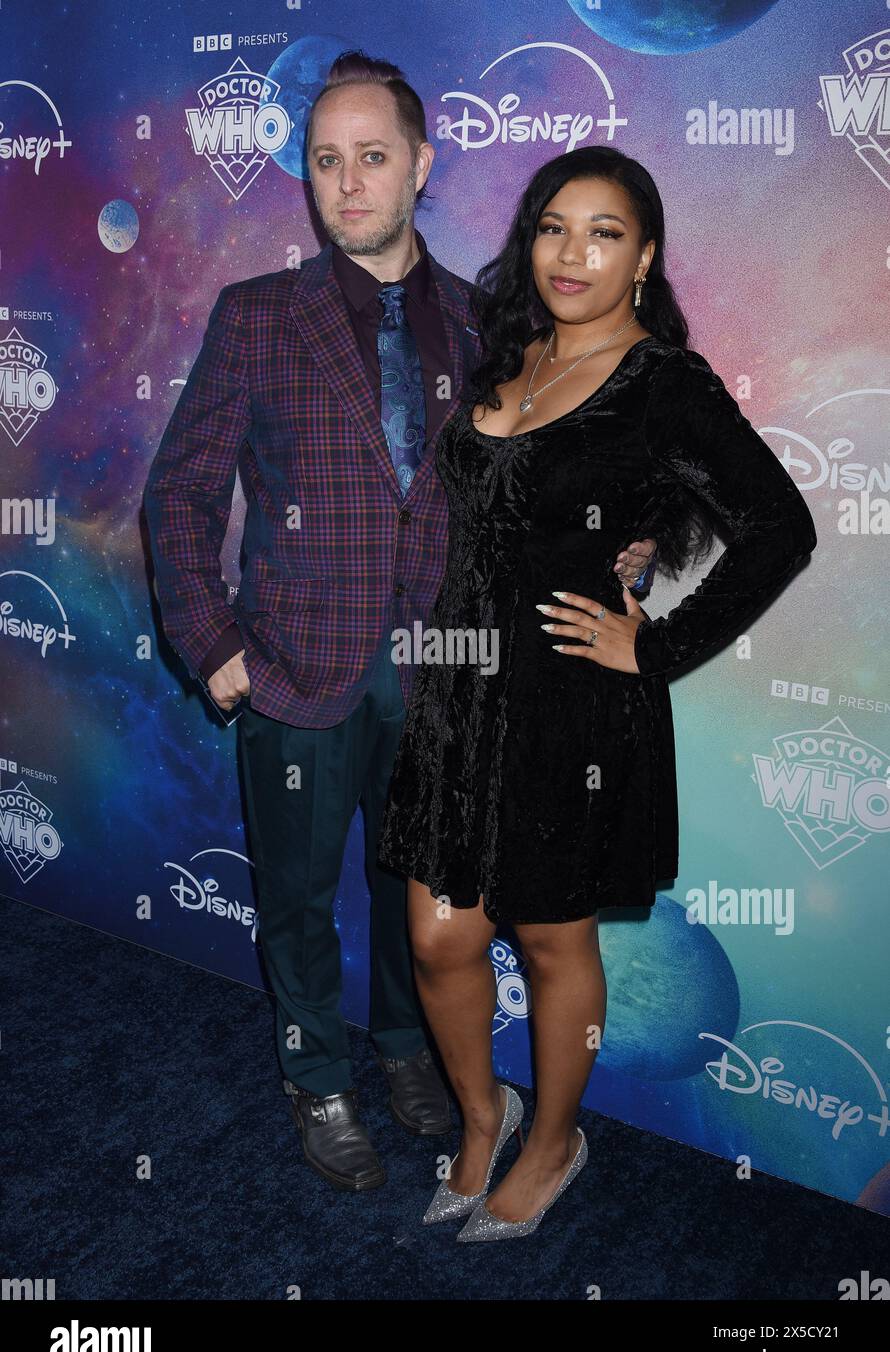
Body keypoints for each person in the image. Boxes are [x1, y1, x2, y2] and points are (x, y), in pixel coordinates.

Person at [142, 55, 659, 1194]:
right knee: (292, 896)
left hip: (446, 672)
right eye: (325, 160)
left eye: (371, 156)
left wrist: (619, 544)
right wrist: (215, 649)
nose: (347, 181)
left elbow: (537, 485)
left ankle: (398, 1047)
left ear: (420, 165)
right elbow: (179, 493)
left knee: (413, 895)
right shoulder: (256, 316)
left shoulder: (487, 324)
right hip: (290, 669)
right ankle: (314, 1072)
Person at [376, 145, 818, 1240]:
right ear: (528, 243)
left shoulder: (663, 383)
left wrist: (655, 646)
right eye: (552, 227)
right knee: (436, 937)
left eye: (603, 232)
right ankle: (483, 1118)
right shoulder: (508, 352)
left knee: (547, 941)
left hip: (569, 705)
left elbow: (779, 528)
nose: (572, 253)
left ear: (643, 257)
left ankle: (552, 1141)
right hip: (459, 683)